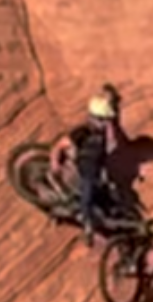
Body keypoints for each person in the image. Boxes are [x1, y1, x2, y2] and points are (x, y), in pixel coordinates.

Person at [49, 87, 125, 246]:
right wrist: (55, 163)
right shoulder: (82, 131)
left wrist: (112, 100)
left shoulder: (101, 133)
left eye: (107, 120)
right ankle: (87, 224)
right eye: (103, 120)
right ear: (95, 118)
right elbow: (59, 146)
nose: (106, 124)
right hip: (82, 171)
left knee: (113, 199)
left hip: (97, 172)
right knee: (88, 191)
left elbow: (113, 130)